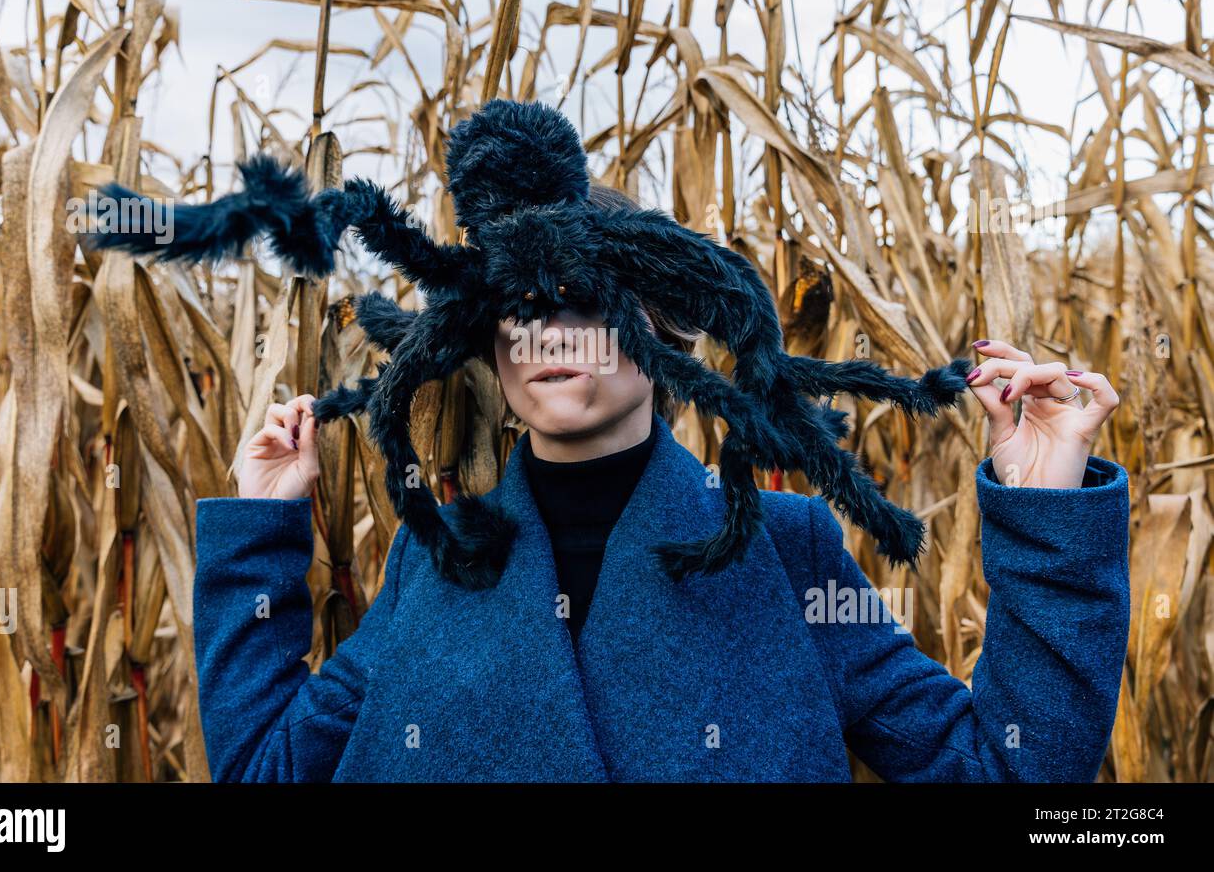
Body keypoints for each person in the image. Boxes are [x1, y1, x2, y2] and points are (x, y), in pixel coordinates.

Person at [194, 288, 1128, 781]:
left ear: (666, 335)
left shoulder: (785, 551)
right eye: (520, 304)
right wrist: (264, 529)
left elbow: (1007, 766)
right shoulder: (432, 558)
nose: (552, 329)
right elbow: (264, 769)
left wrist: (1045, 508)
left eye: (590, 298)